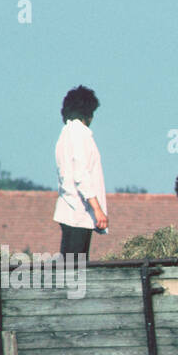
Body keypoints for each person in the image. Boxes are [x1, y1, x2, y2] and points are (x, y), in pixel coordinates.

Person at [53, 85, 107, 256]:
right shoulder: (80, 134)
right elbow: (81, 175)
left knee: (69, 266)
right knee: (76, 270)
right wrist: (97, 209)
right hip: (79, 212)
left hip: (68, 208)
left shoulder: (65, 134)